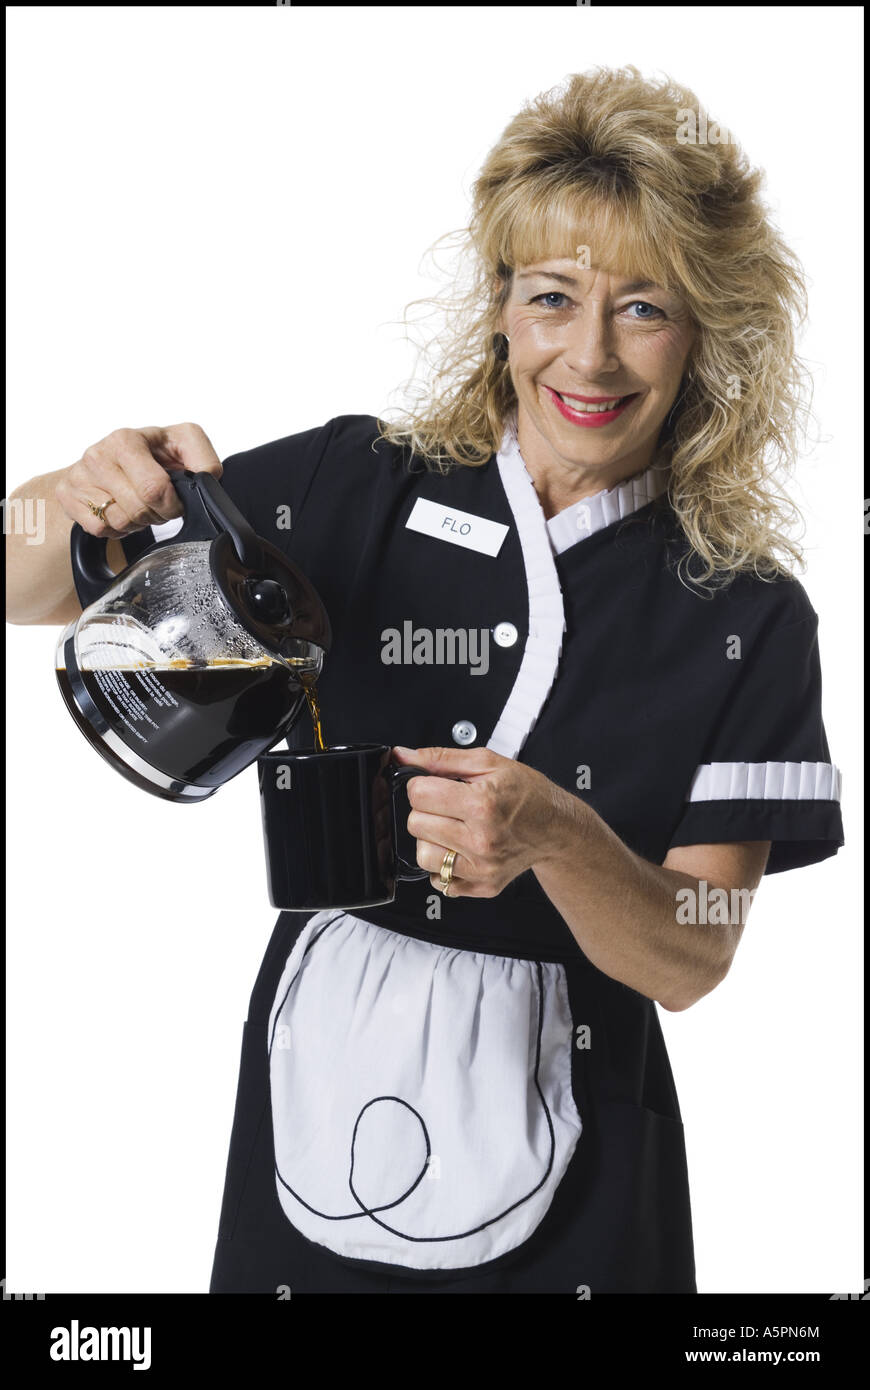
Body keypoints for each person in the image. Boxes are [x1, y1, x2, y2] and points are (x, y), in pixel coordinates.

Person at [6, 66, 844, 1293]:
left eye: (645, 307)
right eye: (551, 296)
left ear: (707, 327)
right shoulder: (356, 484)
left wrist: (558, 834)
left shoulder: (745, 612)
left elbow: (694, 954)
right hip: (317, 1077)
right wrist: (82, 494)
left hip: (586, 1145)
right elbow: (23, 581)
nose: (591, 355)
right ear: (499, 305)